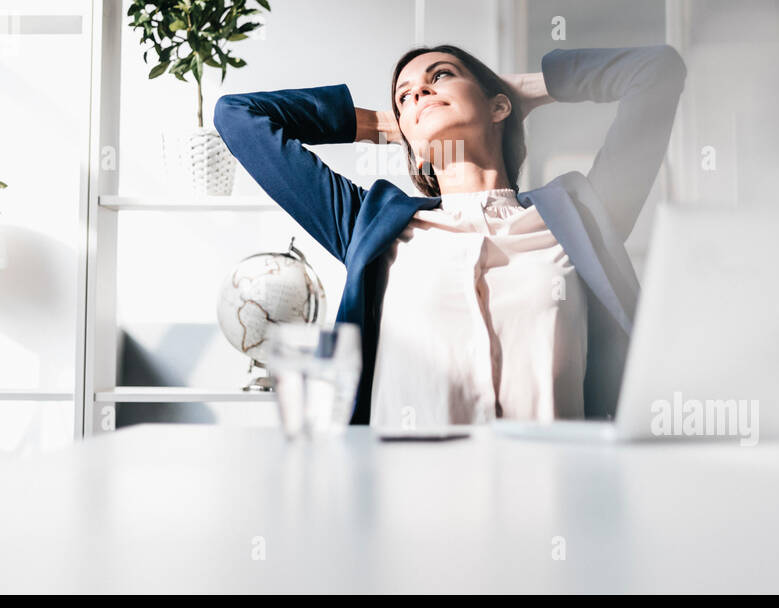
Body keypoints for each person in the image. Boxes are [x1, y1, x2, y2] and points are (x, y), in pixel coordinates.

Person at [213, 44, 686, 427]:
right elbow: (238, 116)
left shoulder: (580, 216)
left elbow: (656, 71)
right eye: (404, 96)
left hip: (554, 515)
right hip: (411, 521)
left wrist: (522, 90)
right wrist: (381, 125)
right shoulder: (371, 225)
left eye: (439, 77)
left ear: (499, 106)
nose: (418, 93)